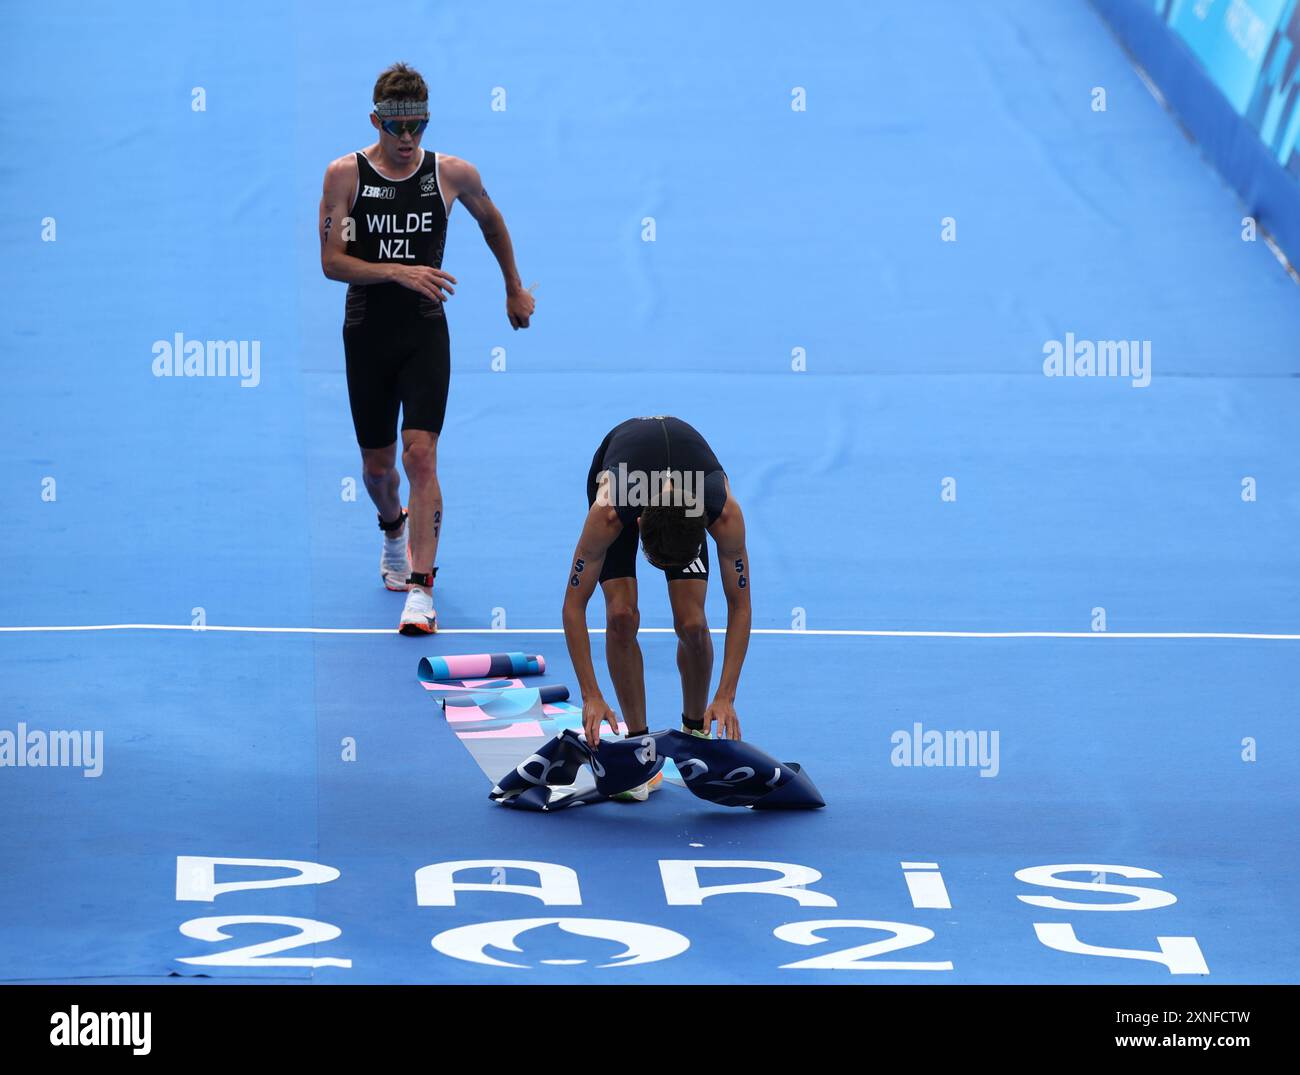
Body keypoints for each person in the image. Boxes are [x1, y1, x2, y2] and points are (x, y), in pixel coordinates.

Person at [318, 62, 535, 634]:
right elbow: (332, 263)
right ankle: (392, 526)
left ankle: (421, 588)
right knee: (378, 470)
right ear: (375, 121)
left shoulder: (452, 174)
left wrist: (513, 287)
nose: (409, 138)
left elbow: (492, 223)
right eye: (397, 127)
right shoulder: (345, 176)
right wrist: (399, 272)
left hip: (424, 333)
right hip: (365, 335)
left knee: (420, 455)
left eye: (419, 125)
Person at [561, 417, 751, 800]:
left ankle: (694, 730)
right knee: (621, 616)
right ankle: (638, 744)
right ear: (640, 521)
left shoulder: (724, 512)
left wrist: (726, 695)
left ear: (703, 531)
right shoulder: (608, 513)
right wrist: (591, 695)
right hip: (625, 472)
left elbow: (739, 605)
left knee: (693, 624)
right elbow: (573, 607)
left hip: (681, 486)